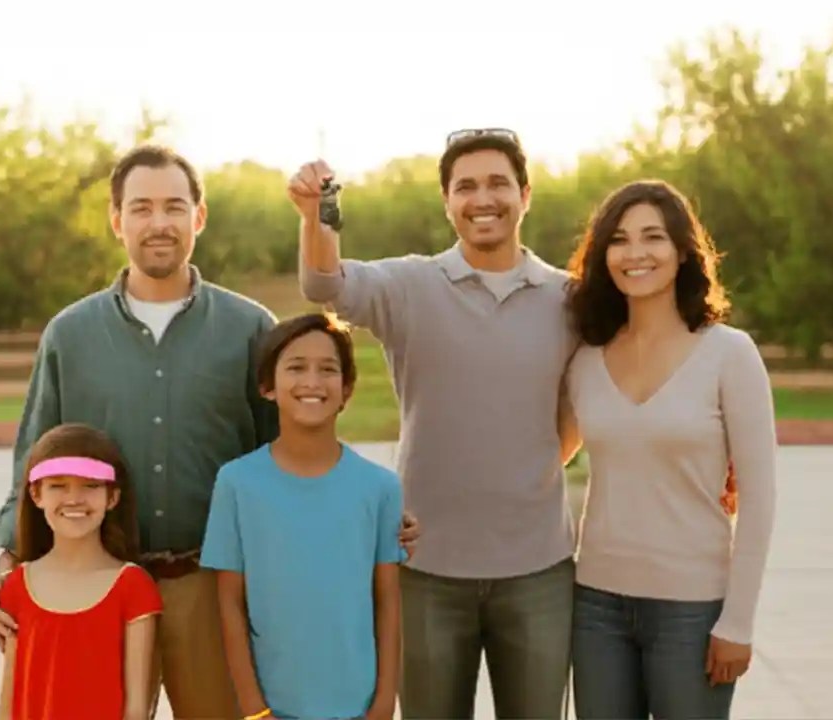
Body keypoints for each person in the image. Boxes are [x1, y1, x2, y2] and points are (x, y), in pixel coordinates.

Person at [0, 144, 419, 719]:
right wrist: (9, 558)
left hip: (210, 587)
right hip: (103, 585)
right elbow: (35, 457)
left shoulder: (247, 328)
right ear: (117, 220)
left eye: (174, 206)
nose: (159, 223)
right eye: (141, 208)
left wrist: (367, 514)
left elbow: (291, 451)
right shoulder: (71, 333)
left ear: (200, 216)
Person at [291, 129, 578, 719]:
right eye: (465, 186)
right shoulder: (409, 286)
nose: (483, 198)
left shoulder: (569, 299)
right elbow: (323, 284)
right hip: (426, 574)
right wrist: (316, 215)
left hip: (539, 576)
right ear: (447, 201)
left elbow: (588, 409)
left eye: (498, 183)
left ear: (525, 194)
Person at [561, 179, 778, 719]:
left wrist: (738, 622)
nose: (635, 253)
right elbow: (547, 459)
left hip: (694, 611)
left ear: (683, 251)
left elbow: (761, 498)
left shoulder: (729, 354)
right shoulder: (585, 359)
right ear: (602, 255)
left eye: (652, 237)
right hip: (596, 607)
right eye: (619, 239)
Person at [201, 312, 404, 720]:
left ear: (346, 389)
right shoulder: (236, 484)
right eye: (295, 368)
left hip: (357, 708)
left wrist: (384, 703)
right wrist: (255, 710)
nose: (312, 382)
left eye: (327, 370)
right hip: (274, 708)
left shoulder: (379, 487)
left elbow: (388, 603)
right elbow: (229, 604)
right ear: (268, 386)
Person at [0, 422, 162, 720]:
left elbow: (137, 706)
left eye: (91, 486)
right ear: (36, 495)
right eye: (58, 485)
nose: (74, 499)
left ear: (112, 497)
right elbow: (8, 703)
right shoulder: (17, 586)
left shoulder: (132, 585)